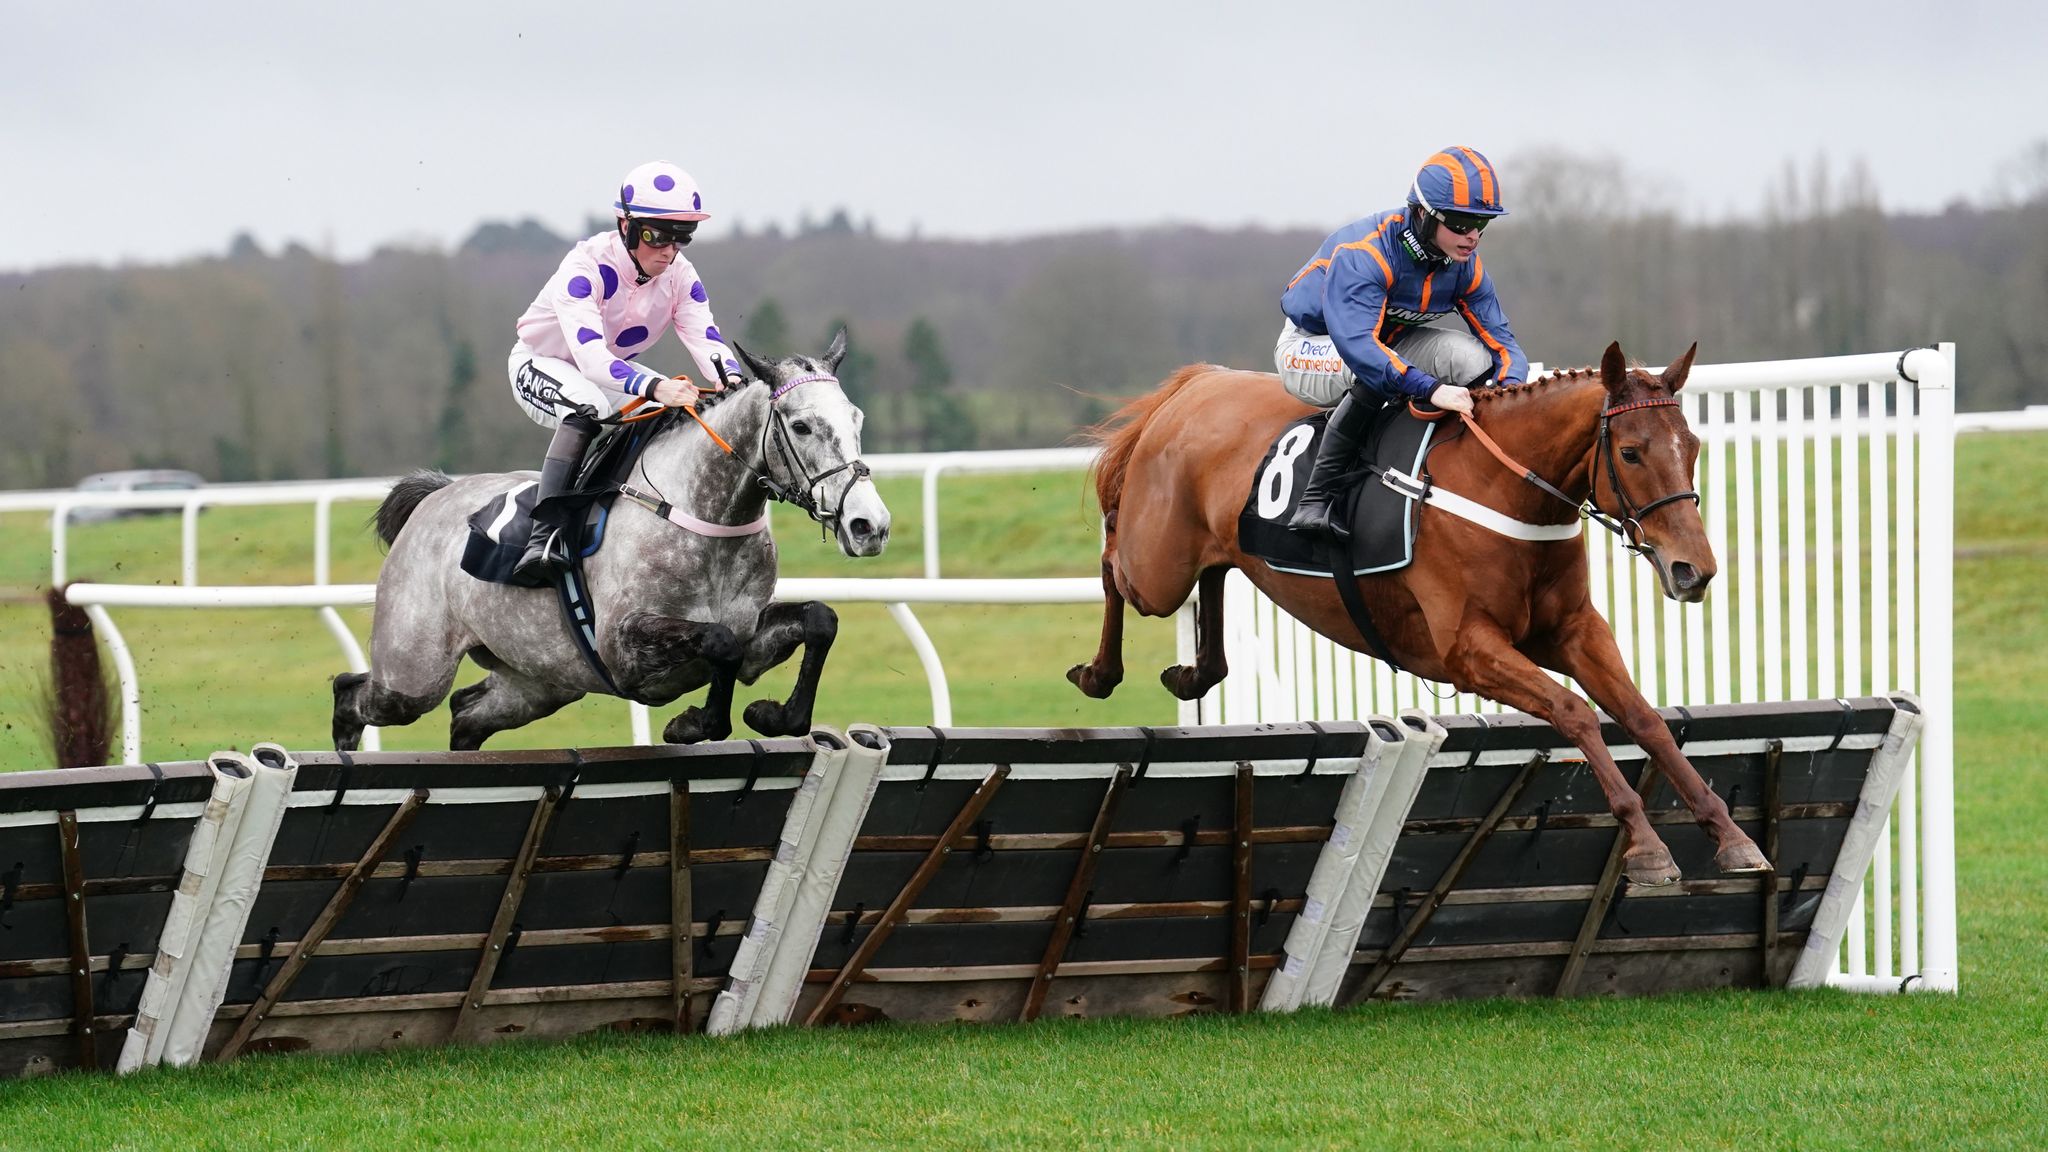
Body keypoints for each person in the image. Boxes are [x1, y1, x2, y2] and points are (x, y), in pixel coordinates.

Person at [504, 160, 744, 583]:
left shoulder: (681, 276)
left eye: (681, 239)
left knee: (668, 418)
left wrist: (738, 386)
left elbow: (707, 339)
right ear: (625, 225)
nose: (668, 251)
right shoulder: (583, 268)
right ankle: (543, 537)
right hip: (541, 363)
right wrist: (655, 385)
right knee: (586, 406)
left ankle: (622, 512)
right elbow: (593, 360)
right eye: (656, 236)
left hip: (607, 374)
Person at [1274, 147, 1529, 535]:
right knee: (1375, 369)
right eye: (1462, 223)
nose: (1473, 236)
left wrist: (1511, 397)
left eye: (1482, 223)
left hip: (1388, 342)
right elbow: (1362, 350)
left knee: (1474, 360)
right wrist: (1431, 388)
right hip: (1314, 345)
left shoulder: (1464, 266)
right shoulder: (1365, 256)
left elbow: (1503, 346)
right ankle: (1315, 500)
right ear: (1425, 216)